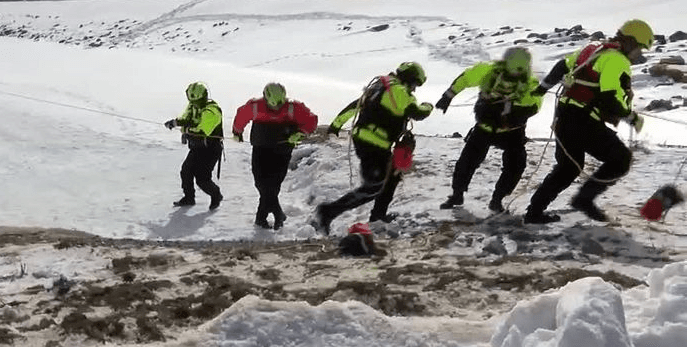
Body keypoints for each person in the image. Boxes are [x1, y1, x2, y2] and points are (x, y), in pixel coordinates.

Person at [523, 19, 654, 224]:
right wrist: (631, 117)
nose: (639, 54)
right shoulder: (616, 60)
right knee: (620, 159)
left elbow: (561, 66)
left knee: (568, 168)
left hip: (564, 116)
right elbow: (609, 96)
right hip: (583, 120)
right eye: (639, 48)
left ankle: (534, 212)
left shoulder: (593, 48)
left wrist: (542, 89)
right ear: (629, 42)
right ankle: (584, 200)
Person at [315, 62, 434, 235]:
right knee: (373, 187)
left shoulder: (380, 87)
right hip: (375, 143)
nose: (414, 89)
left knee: (391, 177)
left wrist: (336, 125)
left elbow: (355, 106)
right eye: (415, 84)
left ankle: (378, 215)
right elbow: (417, 112)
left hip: (368, 141)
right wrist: (428, 106)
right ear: (409, 79)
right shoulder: (398, 91)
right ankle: (327, 212)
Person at [434, 47, 545, 213]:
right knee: (509, 165)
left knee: (471, 162)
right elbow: (535, 106)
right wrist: (448, 96)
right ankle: (489, 198)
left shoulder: (490, 71)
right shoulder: (529, 82)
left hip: (495, 129)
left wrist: (448, 96)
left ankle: (468, 195)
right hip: (505, 130)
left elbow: (465, 78)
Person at [232, 82, 318, 230]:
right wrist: (237, 132)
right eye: (272, 105)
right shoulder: (255, 106)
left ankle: (263, 218)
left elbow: (311, 121)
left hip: (282, 151)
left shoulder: (293, 107)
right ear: (265, 98)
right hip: (261, 149)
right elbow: (241, 116)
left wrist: (300, 133)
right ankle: (277, 213)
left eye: (279, 104)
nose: (276, 109)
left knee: (273, 185)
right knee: (261, 184)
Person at [164, 81, 225, 209]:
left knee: (202, 179)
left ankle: (216, 195)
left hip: (210, 149)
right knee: (186, 171)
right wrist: (175, 122)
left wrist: (185, 131)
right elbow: (187, 118)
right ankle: (189, 198)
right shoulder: (193, 105)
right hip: (197, 147)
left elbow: (202, 131)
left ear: (203, 97)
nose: (193, 103)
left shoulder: (212, 111)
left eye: (196, 101)